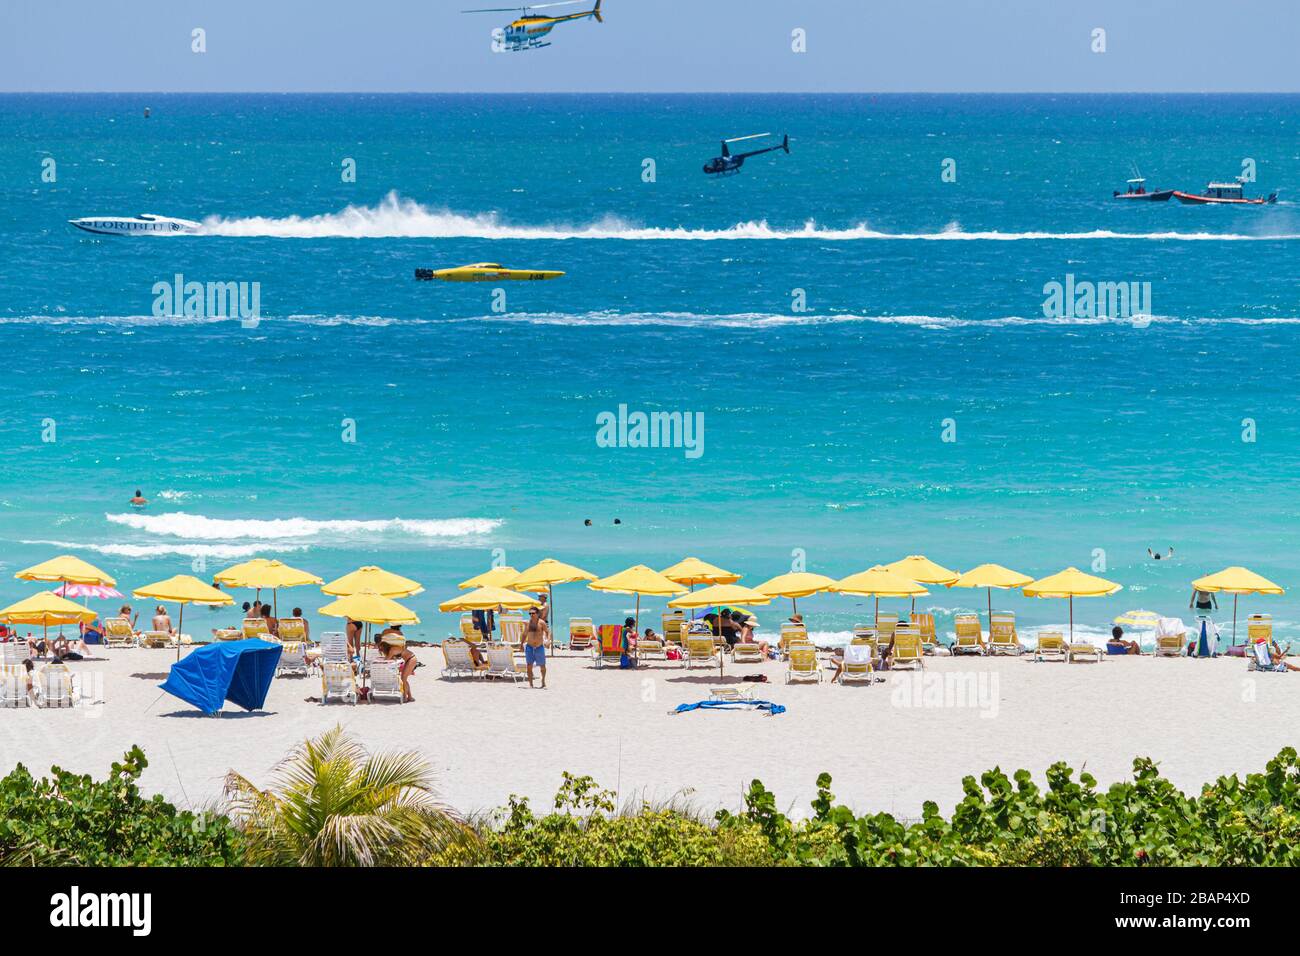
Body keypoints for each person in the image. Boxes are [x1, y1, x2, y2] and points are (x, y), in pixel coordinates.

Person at [377, 631, 419, 702]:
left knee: (404, 679)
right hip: (409, 659)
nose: (382, 650)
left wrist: (380, 660)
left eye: (382, 649)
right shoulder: (392, 649)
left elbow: (387, 659)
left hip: (411, 659)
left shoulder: (392, 650)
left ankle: (405, 697)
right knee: (404, 679)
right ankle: (409, 697)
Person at [522, 606, 550, 688]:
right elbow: (524, 635)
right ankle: (531, 684)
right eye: (530, 613)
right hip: (529, 647)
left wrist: (548, 641)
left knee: (542, 666)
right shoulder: (528, 623)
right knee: (529, 666)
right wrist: (521, 645)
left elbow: (548, 632)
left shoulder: (541, 623)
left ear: (537, 614)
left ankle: (543, 681)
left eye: (533, 613)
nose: (531, 615)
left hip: (539, 647)